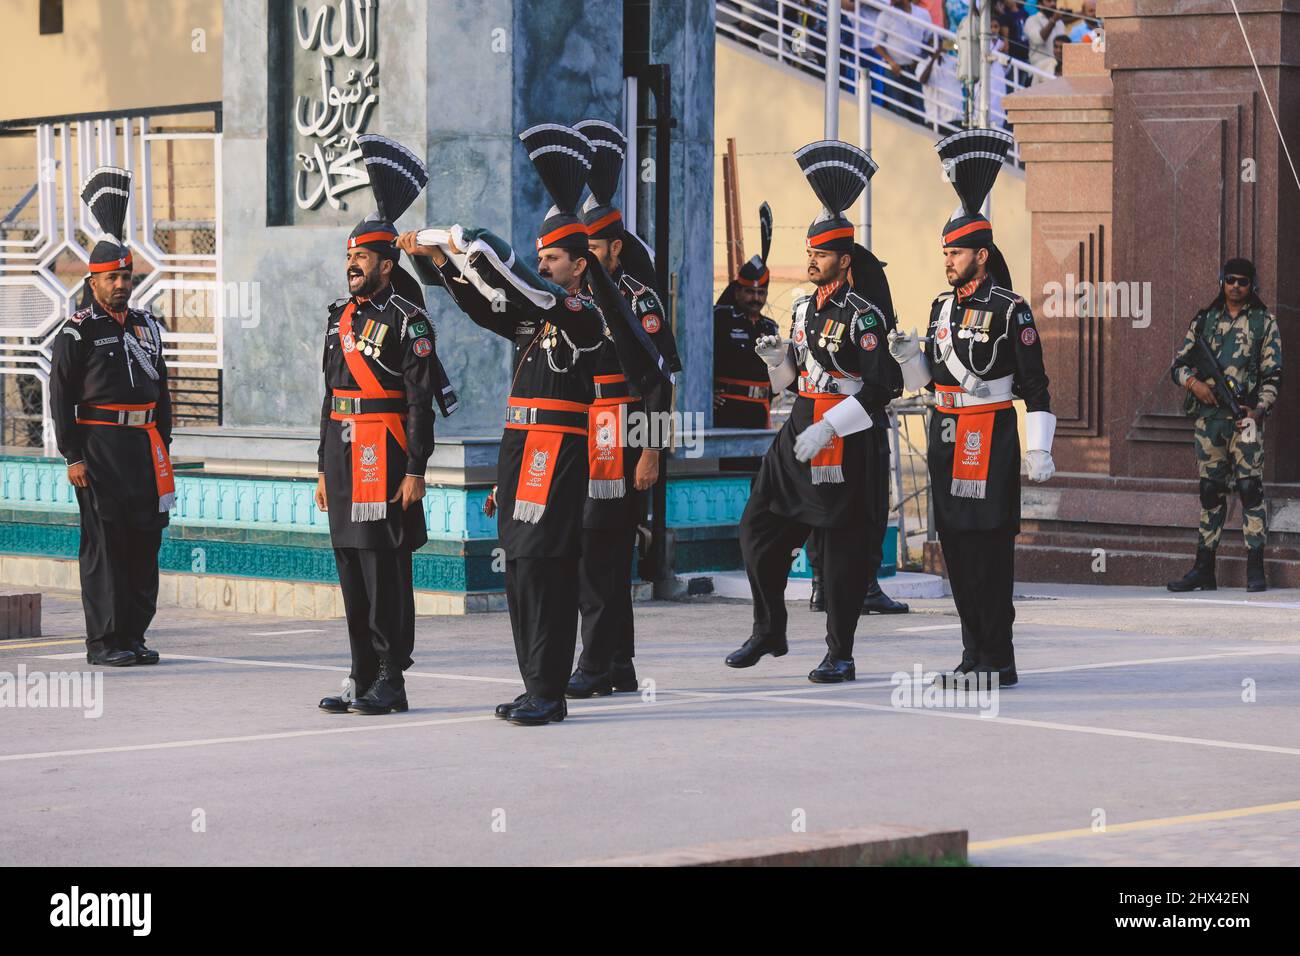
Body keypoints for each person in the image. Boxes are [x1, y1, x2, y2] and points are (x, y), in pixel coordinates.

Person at [401, 125, 660, 725]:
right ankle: (533, 682)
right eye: (540, 257)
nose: (544, 266)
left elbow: (523, 288)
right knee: (519, 565)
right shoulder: (536, 322)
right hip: (522, 449)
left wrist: (477, 242)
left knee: (548, 567)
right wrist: (441, 261)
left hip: (562, 453)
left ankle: (553, 688)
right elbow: (486, 302)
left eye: (553, 258)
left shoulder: (583, 314)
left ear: (578, 264)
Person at [725, 140, 901, 684]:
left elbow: (884, 386)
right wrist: (775, 363)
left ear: (844, 261)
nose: (811, 261)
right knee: (757, 528)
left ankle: (840, 652)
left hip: (845, 437)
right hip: (799, 427)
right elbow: (793, 379)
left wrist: (831, 424)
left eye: (821, 254)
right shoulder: (801, 308)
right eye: (809, 252)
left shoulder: (863, 318)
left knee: (842, 551)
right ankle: (769, 628)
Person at [888, 127, 1055, 689]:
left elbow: (1036, 384)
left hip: (992, 437)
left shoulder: (1011, 310)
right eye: (944, 252)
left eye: (955, 252)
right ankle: (971, 652)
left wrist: (1039, 449)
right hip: (946, 432)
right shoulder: (939, 307)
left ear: (981, 255)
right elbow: (928, 383)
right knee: (956, 547)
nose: (947, 261)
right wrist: (910, 359)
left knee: (989, 547)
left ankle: (997, 657)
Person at [315, 135, 456, 716]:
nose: (353, 265)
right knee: (350, 570)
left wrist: (417, 468)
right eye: (349, 256)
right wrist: (321, 470)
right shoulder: (337, 320)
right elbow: (328, 399)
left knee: (385, 572)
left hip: (388, 460)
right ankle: (360, 673)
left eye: (364, 257)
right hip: (344, 464)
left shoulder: (410, 321)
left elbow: (419, 400)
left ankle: (391, 678)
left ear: (386, 264)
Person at [566, 118, 680, 700]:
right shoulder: (576, 300)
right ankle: (618, 666)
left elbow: (662, 382)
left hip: (627, 435)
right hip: (588, 437)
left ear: (614, 247)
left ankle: (594, 664)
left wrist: (653, 452)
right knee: (600, 553)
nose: (585, 257)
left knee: (602, 553)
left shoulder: (640, 300)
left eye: (593, 247)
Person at [50, 166, 172, 667]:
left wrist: (163, 442)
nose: (122, 284)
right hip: (99, 451)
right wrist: (72, 455)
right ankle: (104, 642)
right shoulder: (77, 331)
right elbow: (61, 397)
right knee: (104, 547)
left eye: (127, 275)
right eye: (112, 278)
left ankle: (134, 636)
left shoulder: (147, 326)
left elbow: (162, 391)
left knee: (144, 544)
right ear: (94, 280)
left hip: (144, 448)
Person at [1167, 258, 1281, 593]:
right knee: (1210, 492)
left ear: (1251, 286)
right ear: (1222, 282)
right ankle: (1204, 569)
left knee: (1250, 489)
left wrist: (1258, 411)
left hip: (1246, 419)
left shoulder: (1264, 322)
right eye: (1230, 280)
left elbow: (1274, 375)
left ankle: (1255, 568)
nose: (1235, 286)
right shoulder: (1204, 320)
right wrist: (1195, 385)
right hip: (1209, 421)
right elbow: (1179, 365)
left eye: (1242, 282)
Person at [714, 202, 779, 431]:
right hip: (728, 410)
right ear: (738, 291)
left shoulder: (770, 328)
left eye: (761, 293)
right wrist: (703, 393)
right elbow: (701, 359)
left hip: (760, 411)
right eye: (750, 292)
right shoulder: (720, 319)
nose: (756, 298)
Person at [872, 0, 937, 119]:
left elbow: (929, 38)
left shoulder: (923, 14)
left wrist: (922, 59)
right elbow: (876, 44)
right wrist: (891, 62)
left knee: (919, 111)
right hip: (894, 70)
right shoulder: (886, 15)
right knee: (897, 111)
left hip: (915, 69)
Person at [1023, 4, 1065, 79]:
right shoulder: (1032, 20)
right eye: (1049, 1)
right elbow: (1038, 40)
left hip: (1056, 72)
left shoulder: (1060, 23)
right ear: (1040, 4)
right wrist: (1053, 20)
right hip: (1038, 72)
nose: (1053, 4)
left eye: (1054, 1)